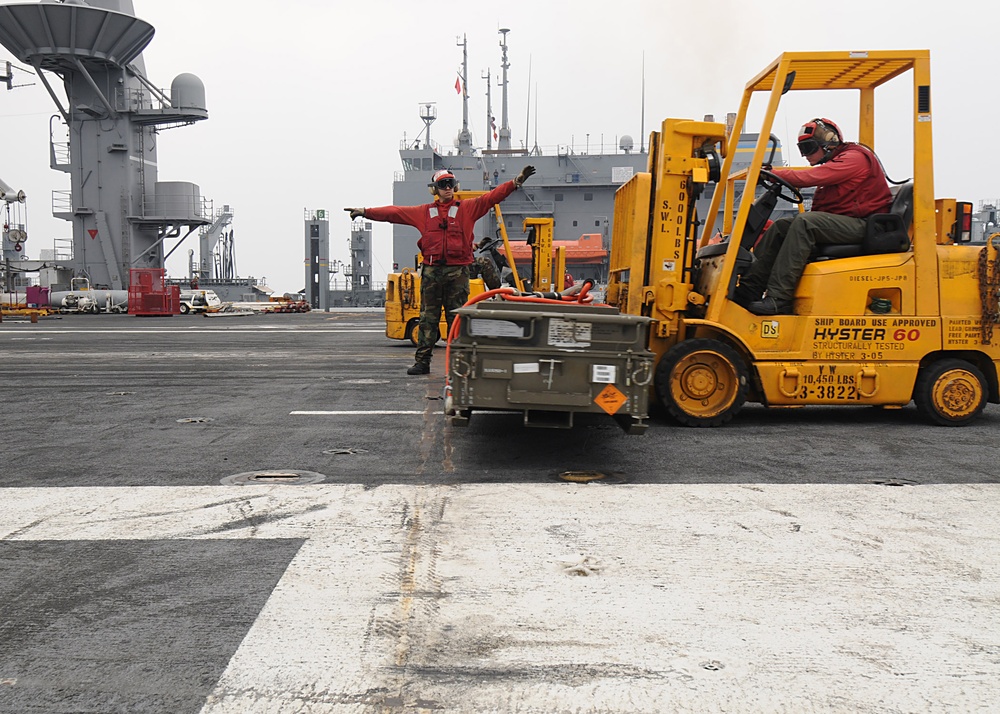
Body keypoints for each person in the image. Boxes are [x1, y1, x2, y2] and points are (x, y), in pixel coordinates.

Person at [345, 165, 535, 374]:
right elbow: (395, 213)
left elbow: (492, 197)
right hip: (432, 272)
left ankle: (459, 364)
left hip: (457, 273)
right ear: (434, 189)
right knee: (428, 318)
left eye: (450, 184)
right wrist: (366, 212)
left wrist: (515, 182)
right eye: (443, 184)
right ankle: (422, 362)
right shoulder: (423, 213)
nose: (447, 188)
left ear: (455, 186)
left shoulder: (468, 208)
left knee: (457, 319)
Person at [734, 118, 893, 316]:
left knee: (805, 223)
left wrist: (772, 173)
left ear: (828, 142)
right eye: (802, 149)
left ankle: (779, 298)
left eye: (808, 148)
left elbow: (811, 177)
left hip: (866, 225)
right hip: (849, 222)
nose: (805, 155)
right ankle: (748, 290)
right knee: (782, 226)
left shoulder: (854, 158)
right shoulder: (836, 162)